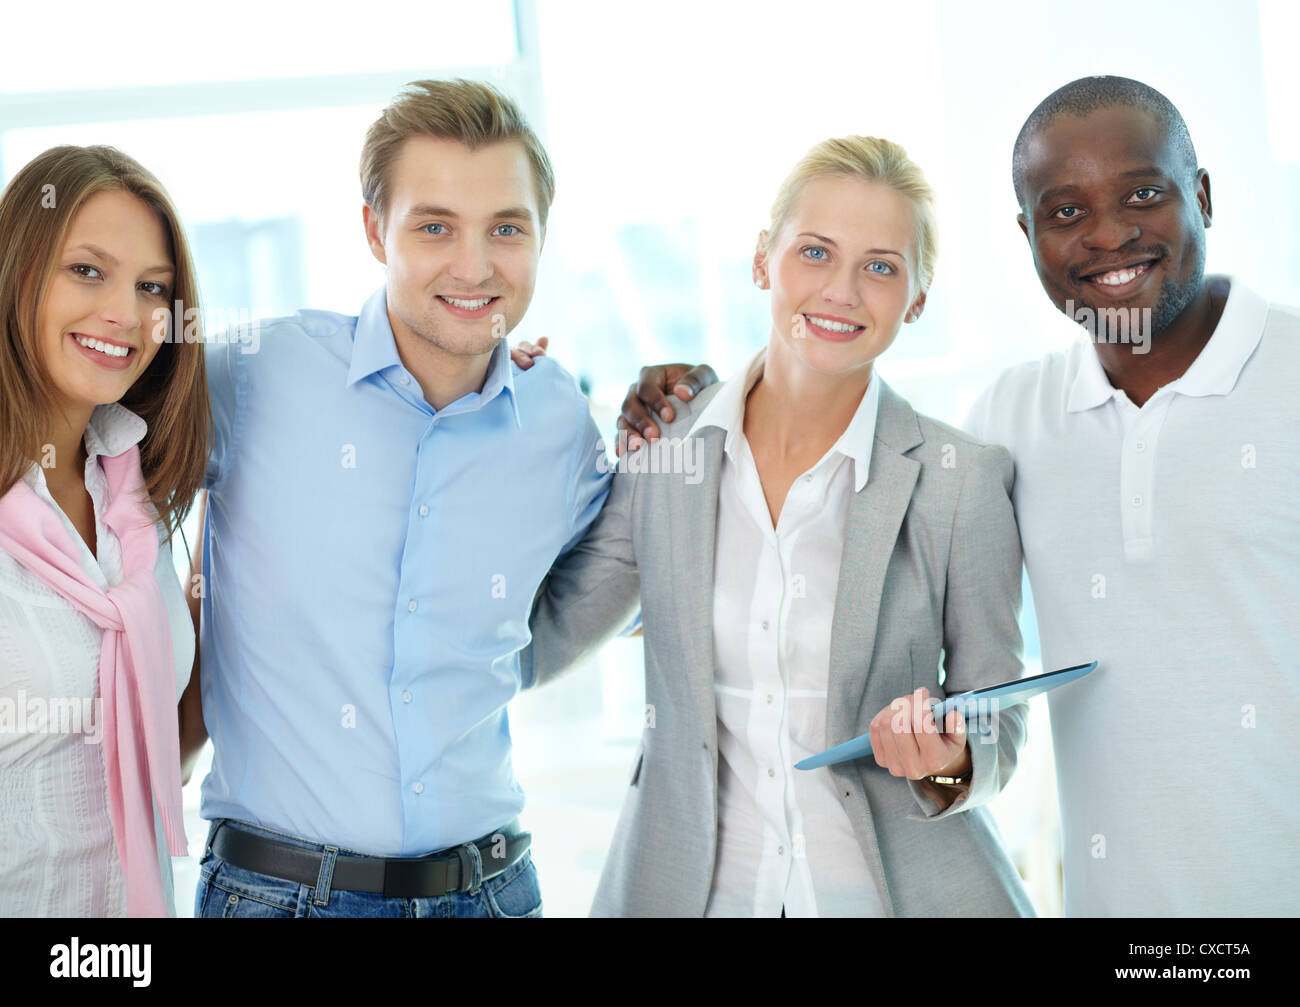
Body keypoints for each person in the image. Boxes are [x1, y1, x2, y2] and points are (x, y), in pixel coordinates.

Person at [617, 76, 1300, 917]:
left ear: (1202, 195)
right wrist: (678, 402)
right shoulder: (1009, 425)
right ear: (1028, 235)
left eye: (1144, 194)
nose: (1110, 233)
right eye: (1065, 212)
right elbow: (985, 707)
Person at [520, 136, 1035, 916]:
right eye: (815, 252)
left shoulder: (960, 483)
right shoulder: (667, 452)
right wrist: (505, 415)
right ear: (764, 260)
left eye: (882, 267)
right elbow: (541, 639)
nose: (842, 291)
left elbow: (998, 720)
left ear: (918, 298)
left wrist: (949, 757)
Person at [187, 79, 610, 918]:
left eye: (506, 229)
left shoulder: (560, 421)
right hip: (277, 896)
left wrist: (680, 408)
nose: (475, 265)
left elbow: (636, 571)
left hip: (491, 892)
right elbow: (81, 448)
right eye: (435, 227)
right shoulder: (251, 376)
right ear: (376, 228)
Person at [0, 145, 209, 917]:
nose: (126, 312)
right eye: (88, 270)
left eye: (152, 286)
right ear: (18, 272)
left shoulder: (134, 496)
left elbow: (166, 743)